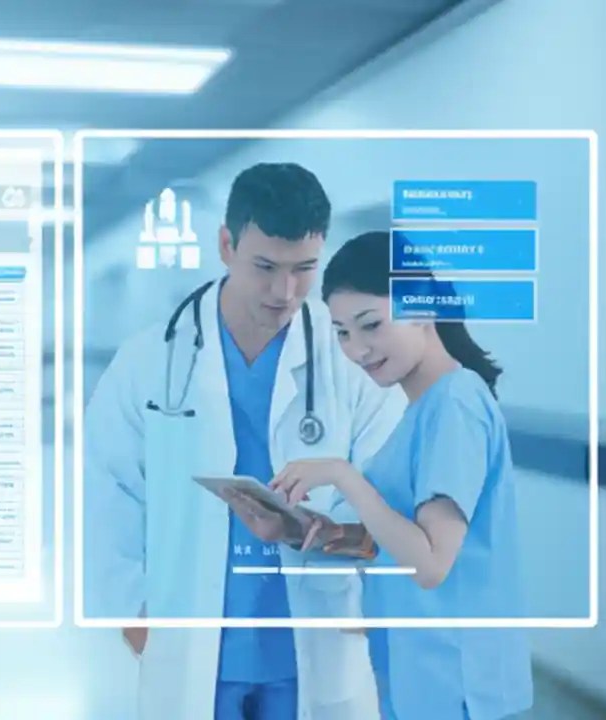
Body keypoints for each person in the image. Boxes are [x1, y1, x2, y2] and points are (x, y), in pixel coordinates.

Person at [84, 164, 407, 719]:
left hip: (316, 644)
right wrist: (133, 613)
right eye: (266, 267)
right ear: (226, 245)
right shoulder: (149, 360)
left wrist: (352, 547)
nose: (285, 292)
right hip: (190, 647)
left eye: (305, 269)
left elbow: (399, 504)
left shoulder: (355, 363)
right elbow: (106, 489)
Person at [242, 231, 534, 719]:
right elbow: (390, 542)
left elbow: (430, 563)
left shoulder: (456, 403)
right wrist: (296, 533)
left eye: (370, 325)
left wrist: (342, 475)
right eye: (342, 333)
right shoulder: (420, 412)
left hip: (462, 688)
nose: (357, 349)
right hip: (417, 678)